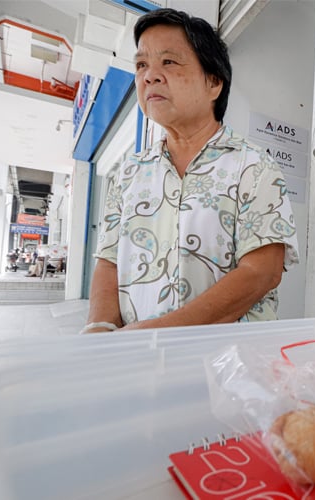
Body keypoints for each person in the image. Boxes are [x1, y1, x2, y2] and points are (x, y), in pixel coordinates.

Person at [82, 8, 298, 334]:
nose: (150, 76)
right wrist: (99, 328)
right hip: (134, 355)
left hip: (229, 359)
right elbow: (109, 261)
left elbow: (261, 272)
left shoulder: (253, 166)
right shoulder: (128, 174)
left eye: (169, 61)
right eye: (141, 65)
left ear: (213, 82)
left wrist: (158, 333)